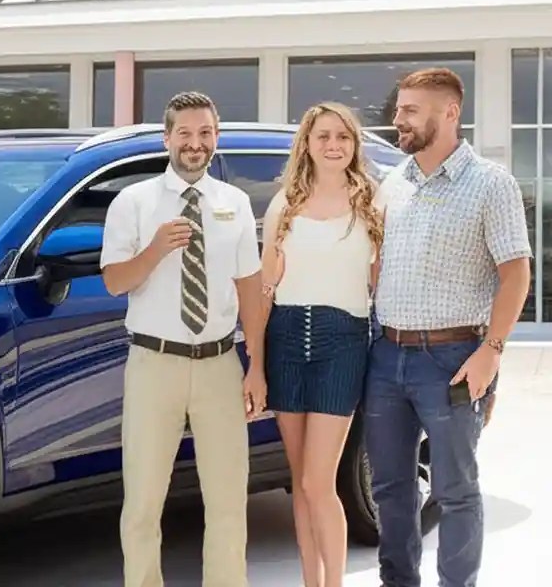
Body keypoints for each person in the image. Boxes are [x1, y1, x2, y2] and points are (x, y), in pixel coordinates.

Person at [366, 67, 531, 587]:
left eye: (411, 110)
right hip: (386, 357)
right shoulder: (393, 184)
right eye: (398, 110)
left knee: (456, 489)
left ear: (451, 113)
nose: (399, 120)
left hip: (454, 359)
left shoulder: (490, 183)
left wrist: (492, 351)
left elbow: (515, 273)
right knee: (390, 488)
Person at [100, 91, 267, 587]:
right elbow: (114, 281)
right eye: (186, 134)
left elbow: (250, 289)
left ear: (216, 138)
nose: (196, 145)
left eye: (206, 134)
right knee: (144, 503)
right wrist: (154, 250)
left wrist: (255, 365)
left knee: (228, 503)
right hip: (155, 365)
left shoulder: (233, 203)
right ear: (167, 138)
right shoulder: (134, 202)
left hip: (220, 365)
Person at [259, 102, 384, 587]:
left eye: (343, 137)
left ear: (354, 145)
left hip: (342, 341)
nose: (333, 145)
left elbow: (382, 281)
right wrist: (256, 363)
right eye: (323, 137)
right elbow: (266, 289)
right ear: (306, 144)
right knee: (301, 487)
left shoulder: (371, 202)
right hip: (286, 338)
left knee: (318, 481)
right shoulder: (283, 204)